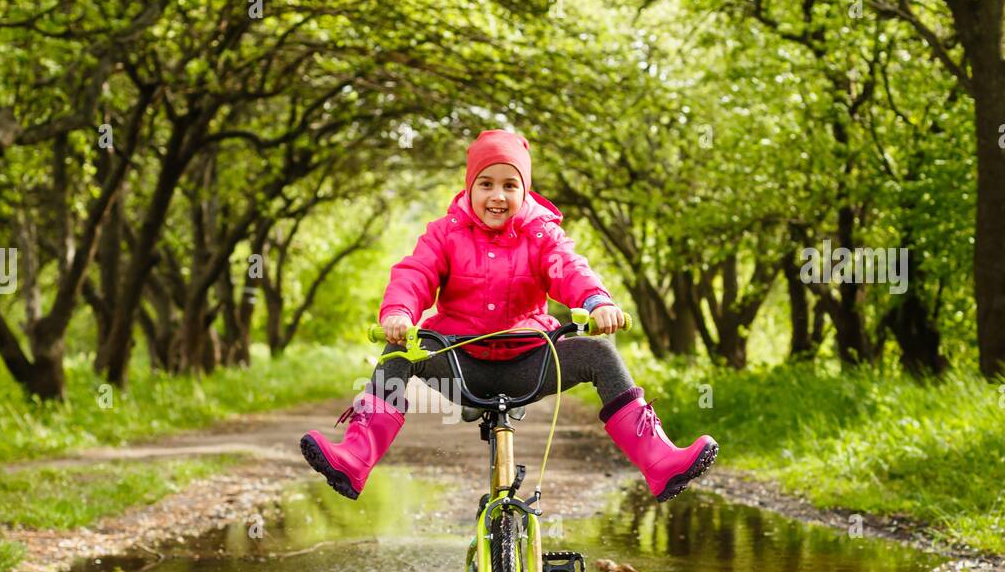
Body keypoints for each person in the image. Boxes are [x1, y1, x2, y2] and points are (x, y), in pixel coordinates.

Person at [300, 129, 717, 502]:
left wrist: (596, 302)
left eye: (509, 185)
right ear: (469, 188)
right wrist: (398, 312)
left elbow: (568, 268)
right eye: (486, 184)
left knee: (600, 354)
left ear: (525, 190)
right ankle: (354, 459)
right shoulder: (445, 233)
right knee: (398, 353)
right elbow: (416, 274)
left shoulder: (542, 233)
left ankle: (661, 462)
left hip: (529, 362)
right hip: (459, 361)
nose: (497, 196)